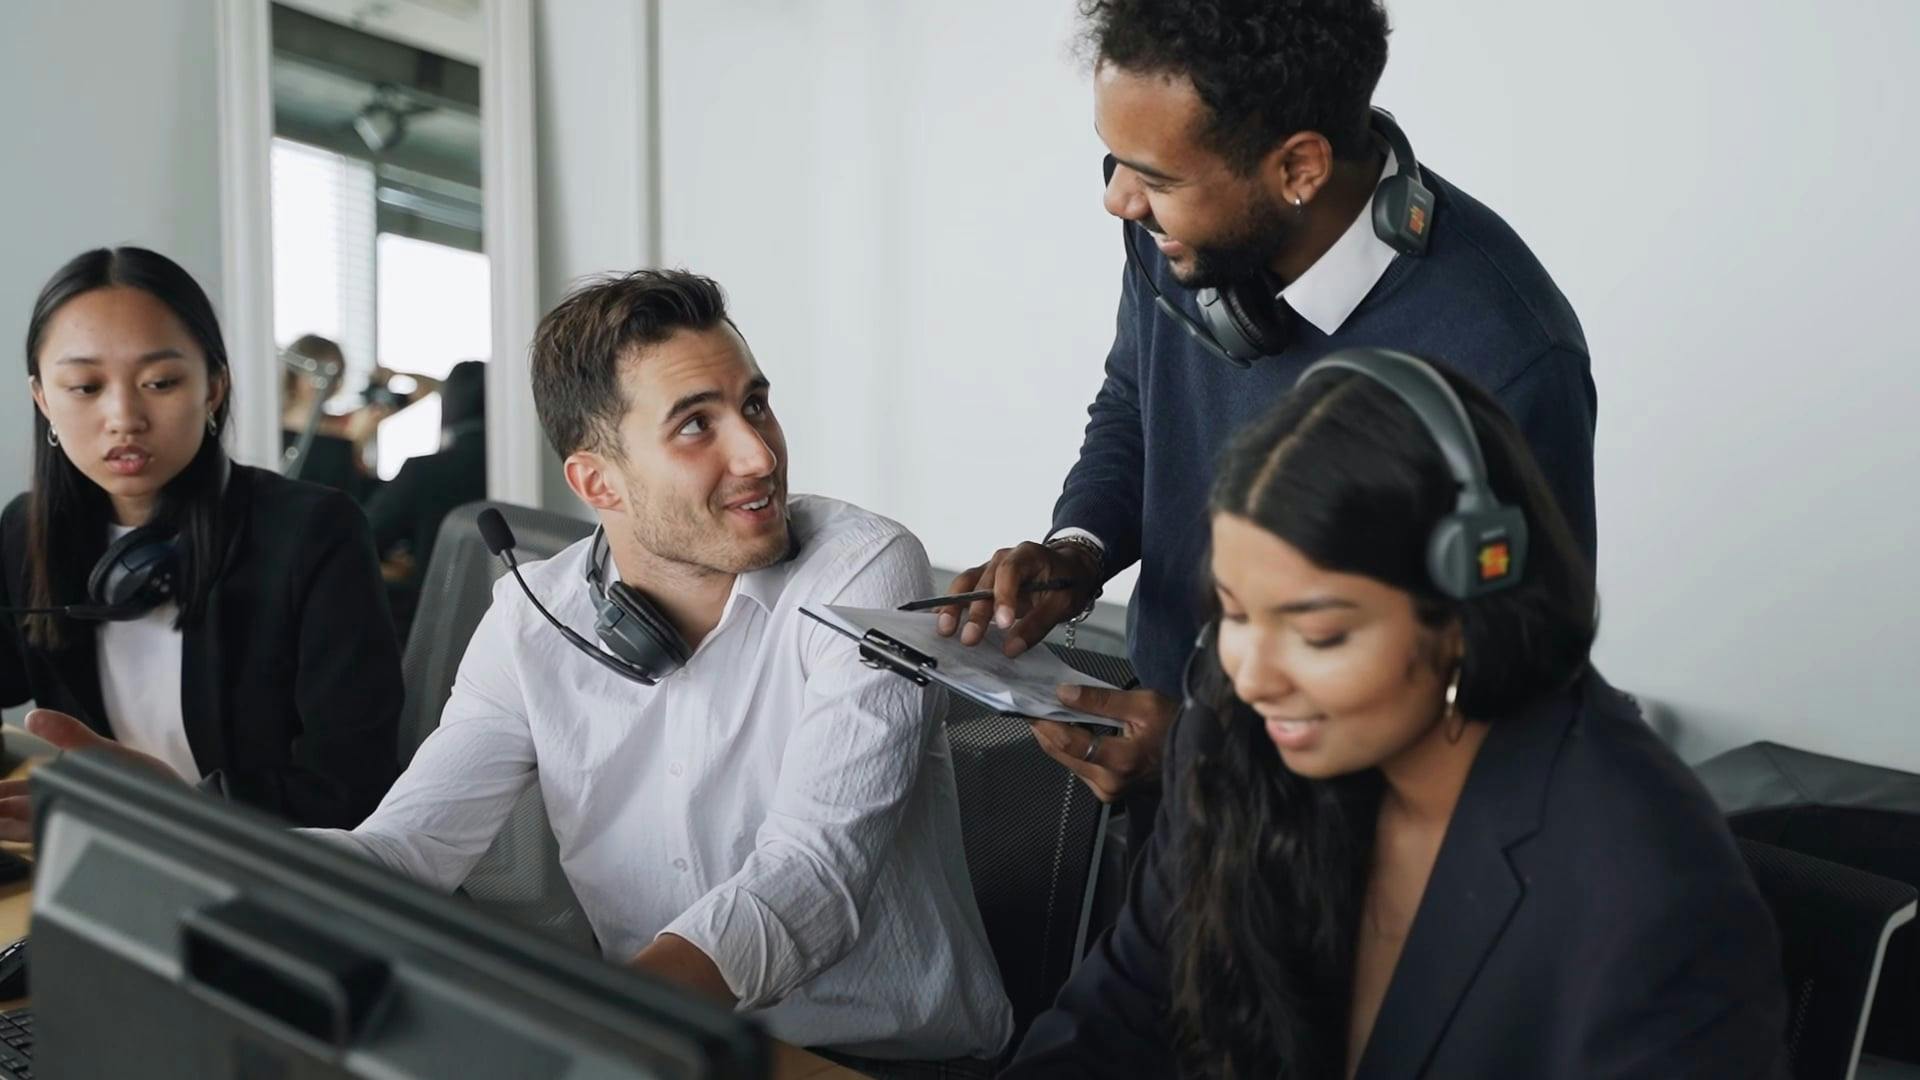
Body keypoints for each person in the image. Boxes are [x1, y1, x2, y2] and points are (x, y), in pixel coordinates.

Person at [4, 270, 1012, 1073]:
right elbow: (406, 852)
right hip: (653, 1041)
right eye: (697, 423)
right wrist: (196, 830)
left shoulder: (866, 567)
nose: (758, 454)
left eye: (756, 404)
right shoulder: (533, 622)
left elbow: (811, 877)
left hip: (874, 1059)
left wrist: (595, 1027)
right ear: (595, 481)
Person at [1001, 350, 1786, 1078]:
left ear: (1464, 610)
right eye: (1235, 617)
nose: (1252, 675)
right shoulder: (1231, 740)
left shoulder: (1649, 887)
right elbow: (1110, 1025)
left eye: (1318, 634)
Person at [941, 0, 1598, 844]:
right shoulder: (1176, 237)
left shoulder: (1508, 355)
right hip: (1166, 796)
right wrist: (1080, 550)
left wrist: (1208, 753)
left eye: (1157, 178)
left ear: (1299, 166)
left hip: (1361, 845)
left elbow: (1511, 691)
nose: (1119, 200)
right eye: (1114, 160)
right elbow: (1136, 403)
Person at [1, 247, 403, 827]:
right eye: (85, 387)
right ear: (43, 399)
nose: (123, 417)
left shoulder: (312, 533)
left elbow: (353, 788)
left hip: (280, 879)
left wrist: (181, 814)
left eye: (160, 382)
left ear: (213, 388)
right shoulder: (26, 531)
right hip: (113, 858)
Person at [364, 358, 488, 643]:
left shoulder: (424, 472)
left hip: (433, 624)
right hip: (503, 618)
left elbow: (366, 539)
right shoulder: (518, 471)